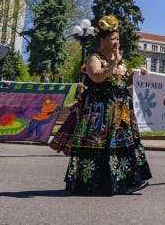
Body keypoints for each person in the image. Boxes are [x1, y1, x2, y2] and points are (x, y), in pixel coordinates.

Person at [64, 15, 152, 195]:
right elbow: (97, 76)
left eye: (118, 38)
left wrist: (139, 75)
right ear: (102, 40)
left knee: (124, 145)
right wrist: (114, 62)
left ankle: (128, 181)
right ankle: (96, 184)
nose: (116, 42)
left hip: (120, 110)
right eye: (113, 39)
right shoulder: (94, 57)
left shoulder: (118, 59)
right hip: (101, 112)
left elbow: (121, 82)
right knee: (101, 145)